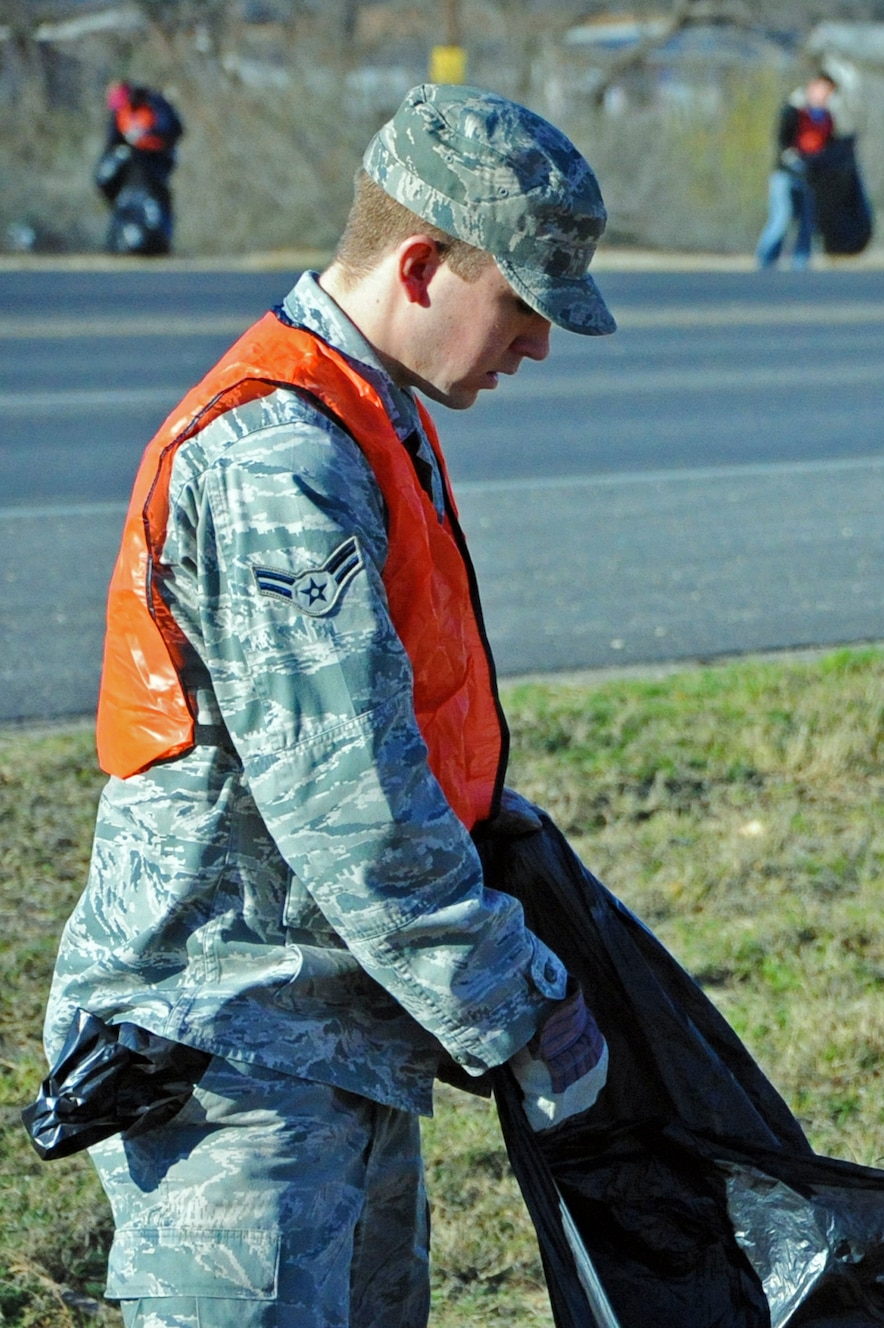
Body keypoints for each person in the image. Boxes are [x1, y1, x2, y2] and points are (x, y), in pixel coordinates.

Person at [41, 83, 617, 1327]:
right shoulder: (280, 459)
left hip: (329, 1026)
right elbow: (350, 797)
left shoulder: (367, 414)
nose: (535, 345)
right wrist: (514, 997)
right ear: (421, 266)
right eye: (520, 304)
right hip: (235, 1052)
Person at [756, 71, 837, 271]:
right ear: (813, 86)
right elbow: (782, 136)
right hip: (786, 173)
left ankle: (800, 263)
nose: (825, 95)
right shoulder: (795, 108)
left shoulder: (826, 117)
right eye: (823, 90)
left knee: (807, 222)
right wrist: (790, 154)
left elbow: (829, 144)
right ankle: (765, 260)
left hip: (810, 175)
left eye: (829, 92)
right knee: (782, 217)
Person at [96, 81, 182, 255]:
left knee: (155, 202)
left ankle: (155, 242)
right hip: (132, 169)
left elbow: (174, 131)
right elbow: (110, 149)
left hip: (154, 164)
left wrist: (153, 144)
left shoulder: (157, 108)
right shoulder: (121, 115)